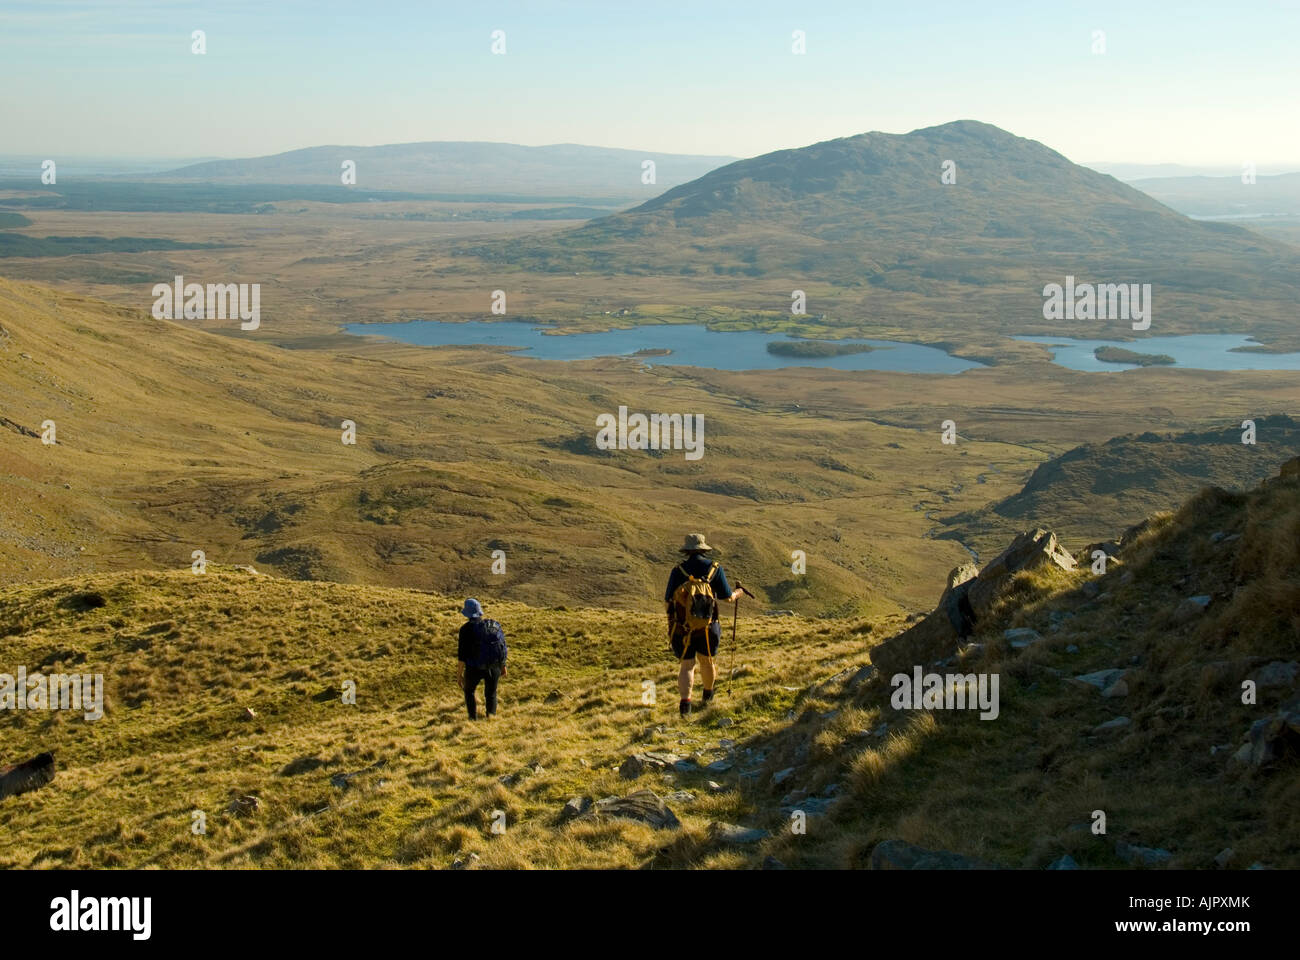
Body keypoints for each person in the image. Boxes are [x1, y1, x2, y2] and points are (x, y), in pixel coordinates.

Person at [665, 534, 745, 716]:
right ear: (703, 549)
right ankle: (707, 699)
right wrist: (738, 593)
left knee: (687, 666)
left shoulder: (678, 571)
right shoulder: (714, 568)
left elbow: (668, 601)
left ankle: (685, 707)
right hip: (708, 627)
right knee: (707, 661)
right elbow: (727, 597)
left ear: (687, 551)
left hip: (682, 628)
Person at [457, 598, 508, 720]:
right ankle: (491, 719)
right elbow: (502, 646)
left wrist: (459, 674)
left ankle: (472, 719)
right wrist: (503, 665)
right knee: (491, 694)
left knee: (469, 691)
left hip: (474, 668)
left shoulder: (465, 630)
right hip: (494, 666)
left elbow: (462, 655)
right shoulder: (493, 626)